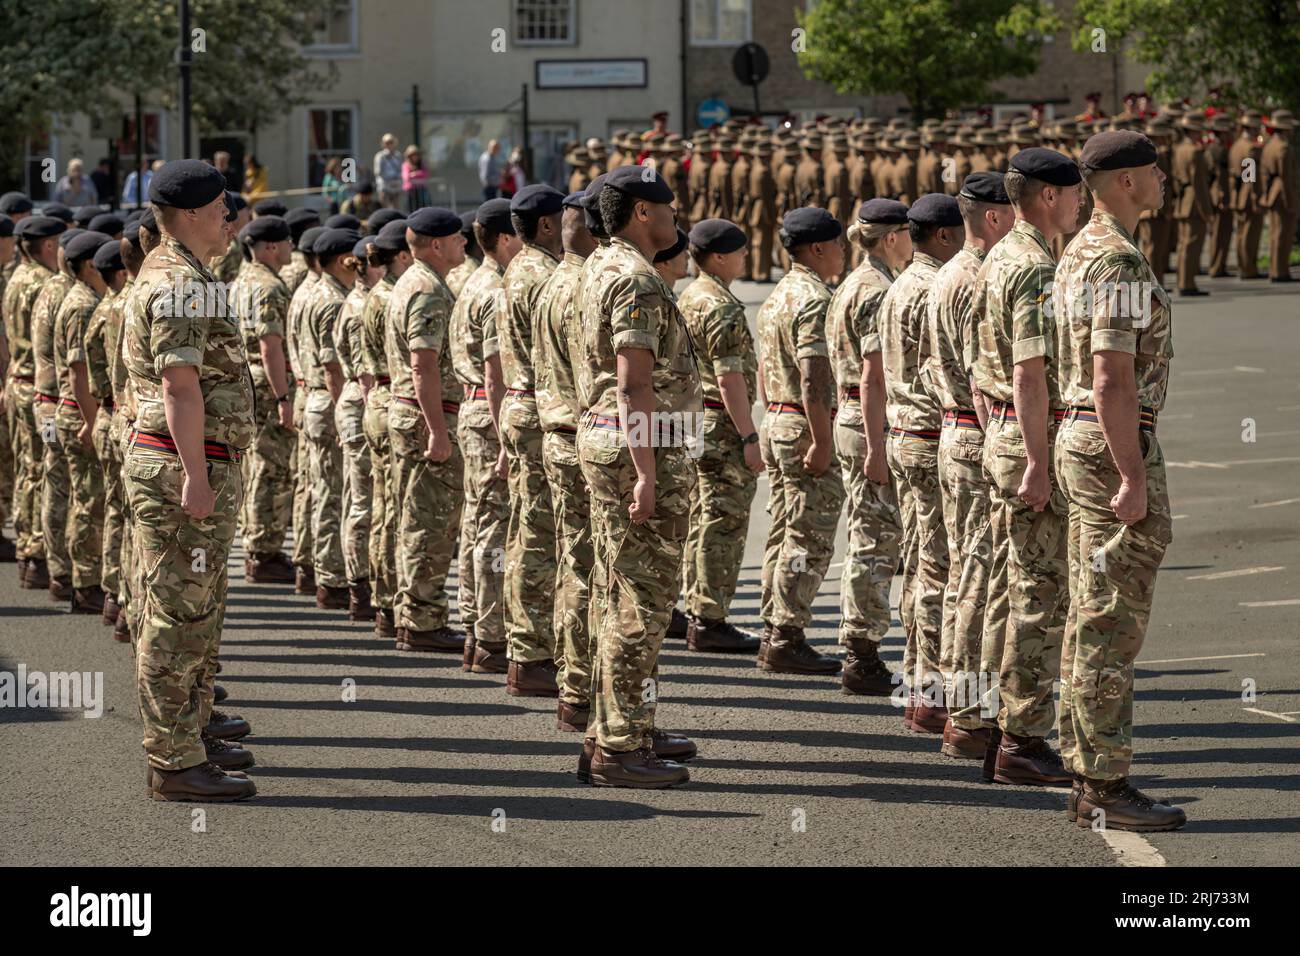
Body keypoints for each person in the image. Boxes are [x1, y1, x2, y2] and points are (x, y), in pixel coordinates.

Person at [1054, 129, 1185, 830]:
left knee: (1090, 608)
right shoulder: (1118, 261)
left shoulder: (1079, 251)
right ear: (1125, 181)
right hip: (1112, 441)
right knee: (1111, 617)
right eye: (1154, 169)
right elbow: (1112, 378)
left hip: (1082, 435)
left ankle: (1087, 771)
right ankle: (1104, 782)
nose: (1163, 178)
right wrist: (1132, 476)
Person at [121, 159, 257, 801]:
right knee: (178, 614)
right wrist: (196, 477)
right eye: (226, 206)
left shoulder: (180, 272)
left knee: (197, 608)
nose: (232, 218)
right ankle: (174, 762)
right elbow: (179, 386)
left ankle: (191, 733)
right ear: (199, 213)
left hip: (187, 458)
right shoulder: (180, 283)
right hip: (184, 463)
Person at [574, 164, 699, 788]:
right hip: (637, 451)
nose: (676, 217)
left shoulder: (601, 265)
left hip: (607, 442)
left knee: (616, 593)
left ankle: (615, 730)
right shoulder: (634, 279)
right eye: (668, 207)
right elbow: (634, 385)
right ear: (642, 212)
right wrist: (647, 474)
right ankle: (620, 748)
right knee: (640, 604)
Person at [970, 147, 1081, 787]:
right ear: (1046, 196)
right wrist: (1038, 460)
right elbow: (1029, 372)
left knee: (1015, 588)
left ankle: (997, 725)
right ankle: (1022, 739)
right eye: (1070, 195)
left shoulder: (997, 257)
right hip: (1028, 437)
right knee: (1040, 596)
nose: (1078, 205)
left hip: (1003, 434)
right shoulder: (1036, 267)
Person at [925, 174, 1013, 753]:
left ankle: (962, 707)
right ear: (991, 217)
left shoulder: (946, 273)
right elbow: (987, 380)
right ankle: (971, 715)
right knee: (980, 579)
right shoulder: (975, 276)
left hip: (957, 433)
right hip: (977, 436)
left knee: (965, 575)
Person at [878, 194, 963, 728]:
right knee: (939, 567)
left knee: (919, 562)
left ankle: (916, 678)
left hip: (904, 433)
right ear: (946, 236)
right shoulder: (933, 287)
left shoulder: (899, 285)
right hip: (931, 435)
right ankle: (929, 691)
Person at [756, 207, 845, 675]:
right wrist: (822, 438)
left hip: (777, 418)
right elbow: (813, 380)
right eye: (837, 245)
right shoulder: (813, 299)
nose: (842, 254)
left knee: (784, 529)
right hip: (803, 421)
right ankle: (787, 634)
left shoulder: (779, 294)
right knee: (808, 537)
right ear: (817, 248)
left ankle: (774, 625)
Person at [826, 199, 909, 696]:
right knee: (875, 541)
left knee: (868, 535)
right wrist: (878, 448)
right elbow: (874, 376)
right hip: (868, 421)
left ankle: (860, 646)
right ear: (891, 237)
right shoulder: (877, 290)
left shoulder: (853, 283)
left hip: (853, 417)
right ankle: (861, 652)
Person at [676, 219, 762, 654]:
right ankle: (710, 617)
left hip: (694, 418)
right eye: (741, 252)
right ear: (719, 257)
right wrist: (749, 436)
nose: (746, 258)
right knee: (723, 522)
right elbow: (730, 380)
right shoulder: (721, 306)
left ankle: (697, 607)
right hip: (721, 424)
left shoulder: (690, 296)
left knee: (701, 518)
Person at [533, 185, 601, 730]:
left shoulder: (555, 279)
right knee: (595, 572)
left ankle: (574, 686)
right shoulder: (585, 284)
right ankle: (586, 691)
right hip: (585, 438)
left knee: (573, 563)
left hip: (557, 433)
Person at [385, 207, 467, 651]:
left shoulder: (411, 281)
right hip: (424, 415)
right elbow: (424, 365)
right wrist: (437, 429)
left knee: (418, 517)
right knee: (429, 522)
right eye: (457, 238)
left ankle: (415, 613)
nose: (464, 244)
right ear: (437, 245)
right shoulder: (429, 289)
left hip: (410, 410)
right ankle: (421, 620)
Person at [448, 198, 520, 675]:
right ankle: (492, 638)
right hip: (488, 413)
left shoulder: (474, 279)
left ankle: (476, 627)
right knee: (493, 528)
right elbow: (496, 375)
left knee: (478, 523)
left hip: (473, 410)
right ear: (505, 238)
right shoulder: (494, 287)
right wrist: (505, 439)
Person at [499, 184, 565, 695]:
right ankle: (531, 653)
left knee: (527, 530)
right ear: (547, 225)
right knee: (541, 535)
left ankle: (525, 647)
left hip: (521, 403)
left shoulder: (517, 268)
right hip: (542, 407)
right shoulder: (543, 274)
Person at [230, 215, 296, 584]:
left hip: (246, 378)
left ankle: (257, 543)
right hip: (266, 379)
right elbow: (271, 346)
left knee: (256, 465)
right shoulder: (269, 286)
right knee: (271, 468)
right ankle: (263, 551)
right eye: (286, 242)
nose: (290, 248)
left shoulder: (241, 281)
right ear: (271, 246)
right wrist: (283, 395)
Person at [51, 230, 113, 612]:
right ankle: (86, 583)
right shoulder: (82, 305)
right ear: (90, 266)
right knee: (89, 501)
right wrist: (92, 422)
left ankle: (85, 579)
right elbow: (79, 372)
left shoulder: (87, 299)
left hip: (78, 412)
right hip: (80, 413)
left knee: (88, 498)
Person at [301, 227, 361, 611]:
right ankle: (332, 578)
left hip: (315, 400)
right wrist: (343, 413)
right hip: (328, 400)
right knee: (333, 494)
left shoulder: (313, 292)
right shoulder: (332, 300)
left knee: (323, 489)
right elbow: (332, 367)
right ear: (342, 261)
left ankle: (322, 573)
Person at [3, 215, 64, 588]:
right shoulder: (43, 283)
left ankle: (28, 549)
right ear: (48, 246)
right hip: (39, 388)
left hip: (19, 381)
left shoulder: (16, 278)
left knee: (28, 468)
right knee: (43, 471)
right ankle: (38, 554)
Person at [359, 219, 411, 638]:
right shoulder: (393, 296)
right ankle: (392, 600)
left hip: (378, 397)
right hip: (394, 395)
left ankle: (382, 600)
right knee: (394, 508)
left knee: (382, 506)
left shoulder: (373, 296)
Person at [333, 234, 384, 620]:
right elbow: (364, 373)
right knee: (363, 500)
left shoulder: (358, 300)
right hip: (360, 402)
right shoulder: (361, 305)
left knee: (362, 497)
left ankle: (364, 584)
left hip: (355, 401)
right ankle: (360, 585)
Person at [1261, 109, 1296, 281]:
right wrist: (1291, 201)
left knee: (1276, 233)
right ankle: (1281, 271)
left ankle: (1275, 270)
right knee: (1283, 234)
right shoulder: (1284, 148)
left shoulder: (1269, 145)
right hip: (1282, 192)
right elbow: (1286, 177)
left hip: (1272, 192)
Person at [374, 134, 404, 209]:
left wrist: (397, 180)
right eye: (387, 142)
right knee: (385, 208)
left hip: (396, 186)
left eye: (391, 142)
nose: (389, 144)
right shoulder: (380, 156)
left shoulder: (398, 155)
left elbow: (400, 169)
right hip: (385, 186)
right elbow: (378, 172)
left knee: (396, 208)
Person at [402, 146, 432, 212]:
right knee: (412, 209)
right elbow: (406, 177)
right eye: (413, 155)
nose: (415, 157)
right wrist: (416, 174)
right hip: (411, 191)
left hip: (422, 190)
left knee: (424, 207)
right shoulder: (406, 165)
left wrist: (415, 174)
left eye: (416, 155)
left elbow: (426, 174)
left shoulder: (422, 164)